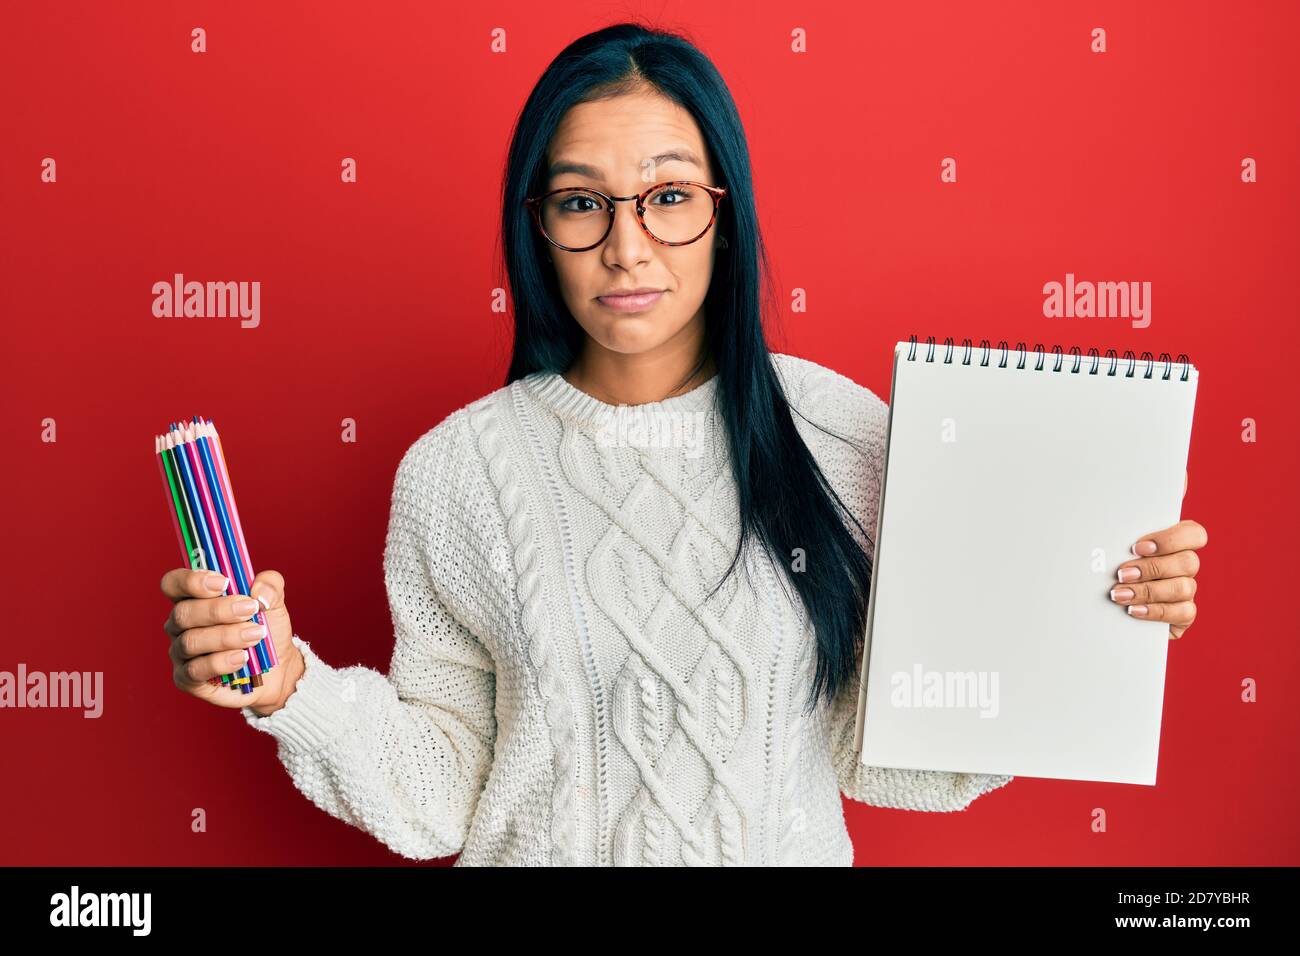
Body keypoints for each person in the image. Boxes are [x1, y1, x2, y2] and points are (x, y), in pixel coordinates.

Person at [159, 22, 1208, 866]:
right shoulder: (454, 473)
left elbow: (886, 758)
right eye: (582, 202)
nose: (626, 244)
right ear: (537, 224)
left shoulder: (846, 437)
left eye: (666, 196)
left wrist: (1094, 614)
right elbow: (442, 799)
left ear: (724, 210)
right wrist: (288, 684)